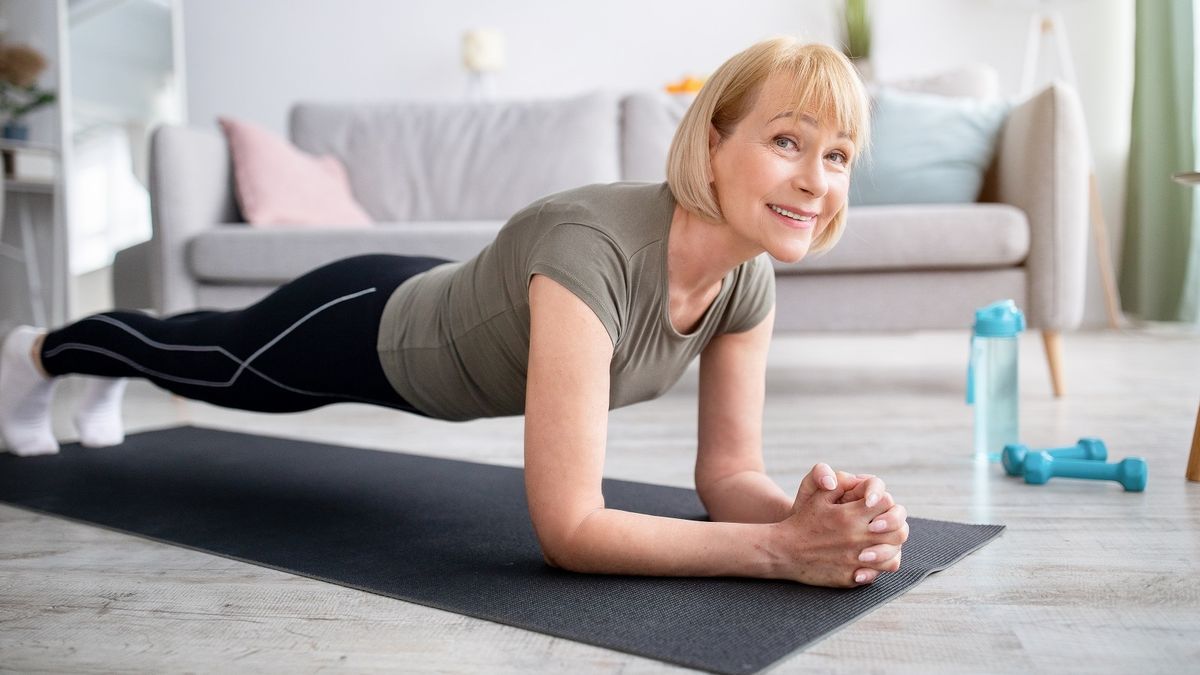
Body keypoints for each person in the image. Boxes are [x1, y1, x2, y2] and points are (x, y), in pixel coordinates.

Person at [0, 37, 907, 588]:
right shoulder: (591, 246)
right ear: (712, 143)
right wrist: (780, 554)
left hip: (443, 300)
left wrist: (816, 516)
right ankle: (40, 353)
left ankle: (86, 376)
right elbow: (571, 530)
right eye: (786, 140)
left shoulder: (747, 278)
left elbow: (728, 478)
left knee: (192, 353)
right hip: (369, 325)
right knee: (201, 357)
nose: (814, 180)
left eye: (836, 155)